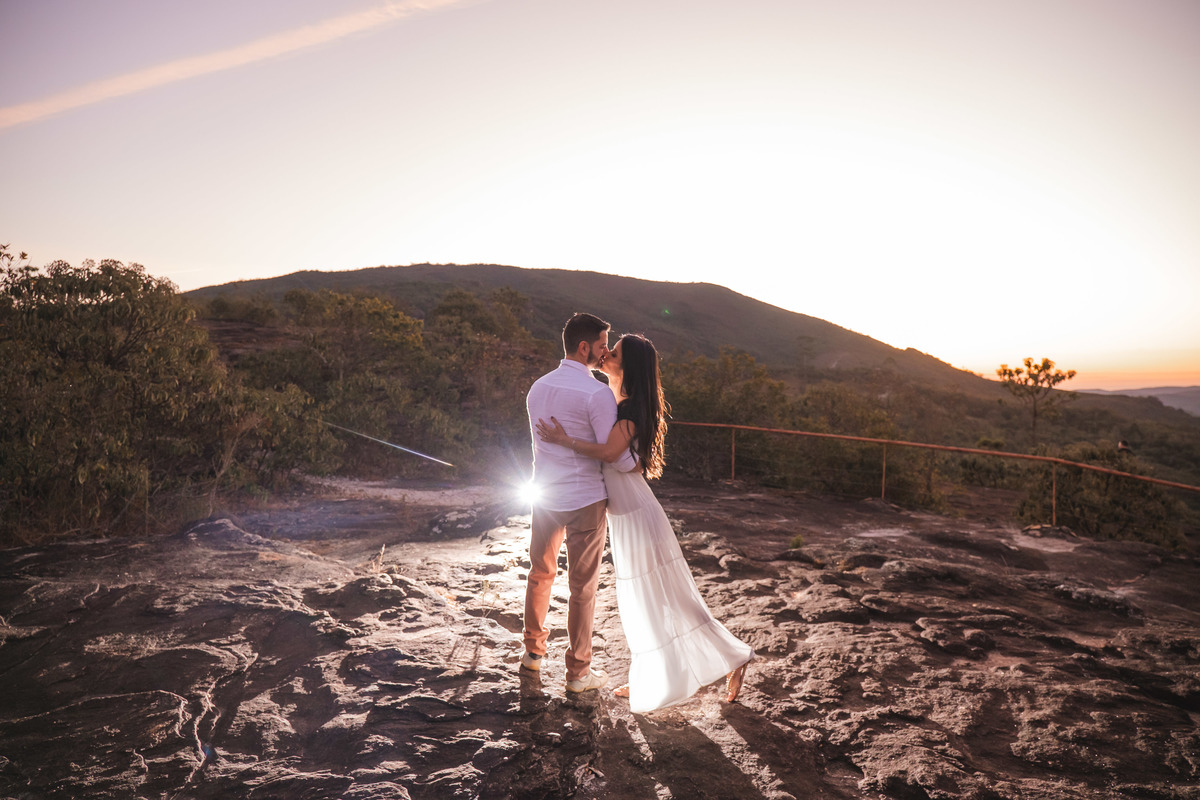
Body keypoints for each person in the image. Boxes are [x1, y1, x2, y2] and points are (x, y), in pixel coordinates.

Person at [537, 333, 754, 713]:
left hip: (637, 514)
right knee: (644, 599)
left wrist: (563, 438)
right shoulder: (615, 401)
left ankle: (734, 657)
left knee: (669, 596)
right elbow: (621, 458)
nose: (606, 354)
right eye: (607, 349)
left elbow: (608, 452)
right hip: (624, 513)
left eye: (614, 353)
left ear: (628, 365)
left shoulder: (632, 408)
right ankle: (651, 675)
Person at [523, 313, 639, 693]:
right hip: (586, 499)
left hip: (545, 495)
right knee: (582, 588)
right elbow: (610, 452)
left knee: (540, 574)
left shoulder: (537, 388)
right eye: (604, 343)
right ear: (585, 347)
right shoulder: (596, 393)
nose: (607, 350)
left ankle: (532, 654)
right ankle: (577, 674)